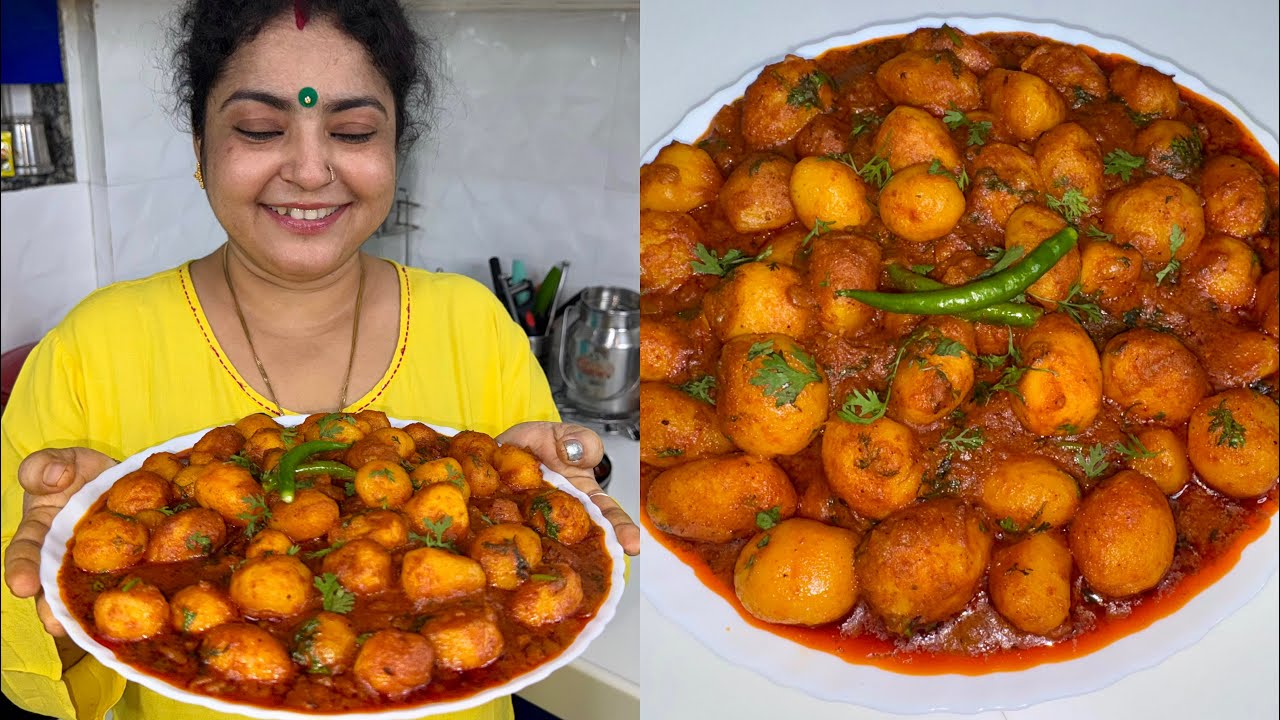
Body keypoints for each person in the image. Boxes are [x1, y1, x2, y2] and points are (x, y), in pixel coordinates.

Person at [0, 2, 639, 718]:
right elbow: (38, 669)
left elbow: (538, 592)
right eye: (259, 129)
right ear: (198, 147)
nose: (308, 170)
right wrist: (61, 567)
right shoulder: (91, 348)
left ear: (398, 147)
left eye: (354, 131)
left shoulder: (475, 327)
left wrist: (566, 494)